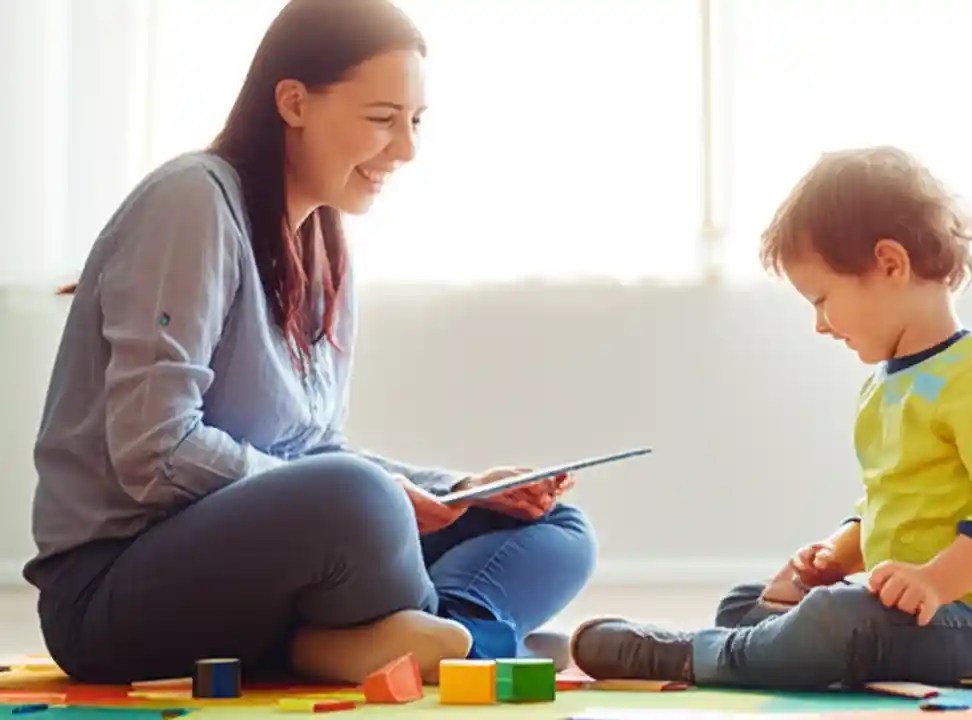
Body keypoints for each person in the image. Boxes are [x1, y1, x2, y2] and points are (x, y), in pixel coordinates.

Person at [25, 0, 595, 685]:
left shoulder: (323, 241)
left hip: (267, 562)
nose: (407, 149)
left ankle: (424, 638)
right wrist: (381, 492)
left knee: (559, 530)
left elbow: (312, 452)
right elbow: (156, 453)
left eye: (414, 122)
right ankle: (453, 640)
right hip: (111, 592)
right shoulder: (193, 202)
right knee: (360, 498)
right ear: (294, 102)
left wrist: (459, 490)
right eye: (383, 120)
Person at [570, 147, 972, 690]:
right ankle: (750, 648)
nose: (820, 325)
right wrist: (832, 559)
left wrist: (936, 582)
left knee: (835, 621)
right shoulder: (886, 385)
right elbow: (892, 505)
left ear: (890, 264)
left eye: (822, 299)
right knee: (747, 602)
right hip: (904, 614)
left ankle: (691, 657)